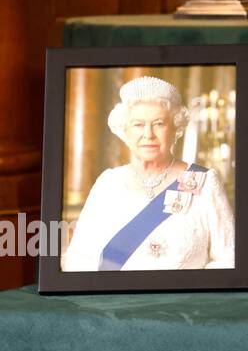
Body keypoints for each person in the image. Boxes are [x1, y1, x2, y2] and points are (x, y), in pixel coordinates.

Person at [63, 76, 235, 271]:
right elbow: (78, 259)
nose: (148, 134)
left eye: (159, 123)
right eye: (138, 125)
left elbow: (229, 259)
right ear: (125, 131)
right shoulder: (108, 183)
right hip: (114, 292)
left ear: (175, 129)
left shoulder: (204, 181)